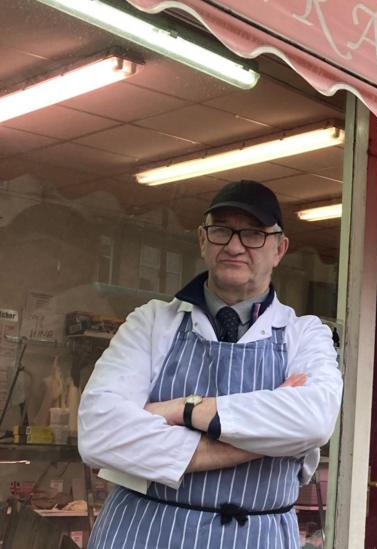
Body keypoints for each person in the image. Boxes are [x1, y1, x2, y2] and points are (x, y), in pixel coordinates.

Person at [78, 180, 343, 548]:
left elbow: (313, 420)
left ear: (279, 249)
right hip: (141, 533)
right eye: (221, 231)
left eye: (253, 233)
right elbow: (100, 434)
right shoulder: (151, 322)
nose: (234, 246)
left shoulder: (304, 334)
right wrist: (263, 443)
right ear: (203, 240)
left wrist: (182, 410)